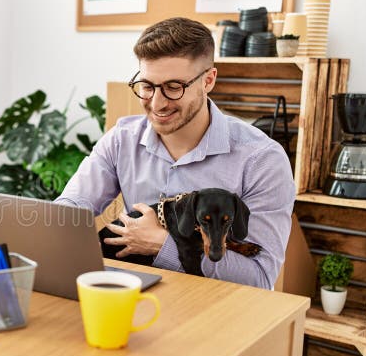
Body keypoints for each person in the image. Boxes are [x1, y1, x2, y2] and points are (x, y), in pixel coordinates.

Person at [55, 17, 294, 290]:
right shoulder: (122, 140)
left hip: (218, 310)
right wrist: (52, 229)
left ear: (208, 81)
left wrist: (161, 244)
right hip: (136, 299)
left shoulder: (261, 160)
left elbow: (259, 278)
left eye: (173, 87)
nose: (157, 103)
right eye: (147, 86)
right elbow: (71, 209)